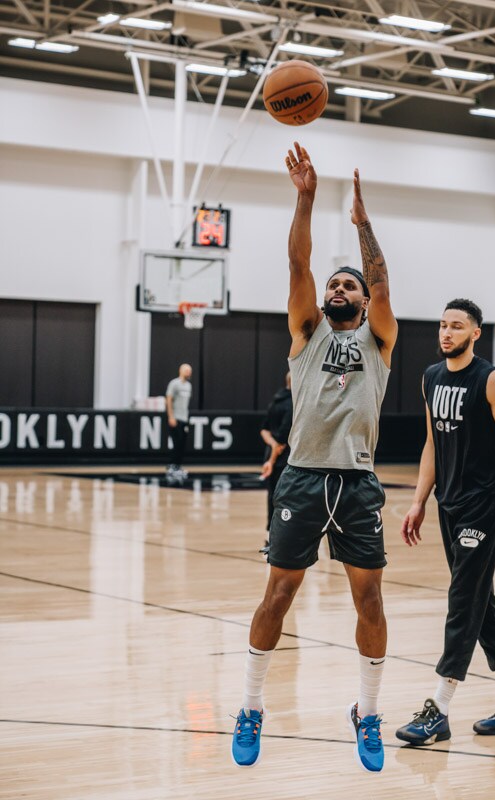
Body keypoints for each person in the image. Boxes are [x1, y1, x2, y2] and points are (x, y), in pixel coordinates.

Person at [231, 142, 398, 773]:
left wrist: (362, 227)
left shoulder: (380, 338)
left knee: (371, 605)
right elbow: (298, 261)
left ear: (360, 300)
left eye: (346, 284)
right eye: (333, 283)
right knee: (276, 597)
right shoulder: (307, 331)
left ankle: (369, 711)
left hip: (357, 483)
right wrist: (305, 198)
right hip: (300, 479)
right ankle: (250, 706)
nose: (337, 286)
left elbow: (381, 280)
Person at [395, 299, 495, 746]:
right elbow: (431, 445)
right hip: (449, 503)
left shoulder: (492, 380)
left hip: (485, 502)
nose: (446, 333)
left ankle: (438, 708)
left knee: (462, 598)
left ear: (475, 333)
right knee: (481, 598)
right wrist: (419, 500)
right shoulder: (431, 378)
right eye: (442, 325)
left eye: (456, 327)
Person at [260, 372, 293, 544]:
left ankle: (269, 536)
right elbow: (281, 441)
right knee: (285, 500)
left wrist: (271, 447)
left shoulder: (276, 400)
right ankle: (279, 540)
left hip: (270, 456)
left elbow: (264, 430)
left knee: (272, 497)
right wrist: (272, 461)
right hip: (283, 460)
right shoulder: (292, 403)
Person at [165, 363, 192, 480]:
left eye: (190, 371)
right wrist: (171, 416)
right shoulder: (174, 384)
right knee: (176, 443)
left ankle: (178, 466)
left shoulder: (189, 386)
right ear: (181, 371)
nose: (189, 373)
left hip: (184, 418)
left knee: (182, 444)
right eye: (187, 370)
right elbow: (169, 400)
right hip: (176, 418)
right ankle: (172, 466)